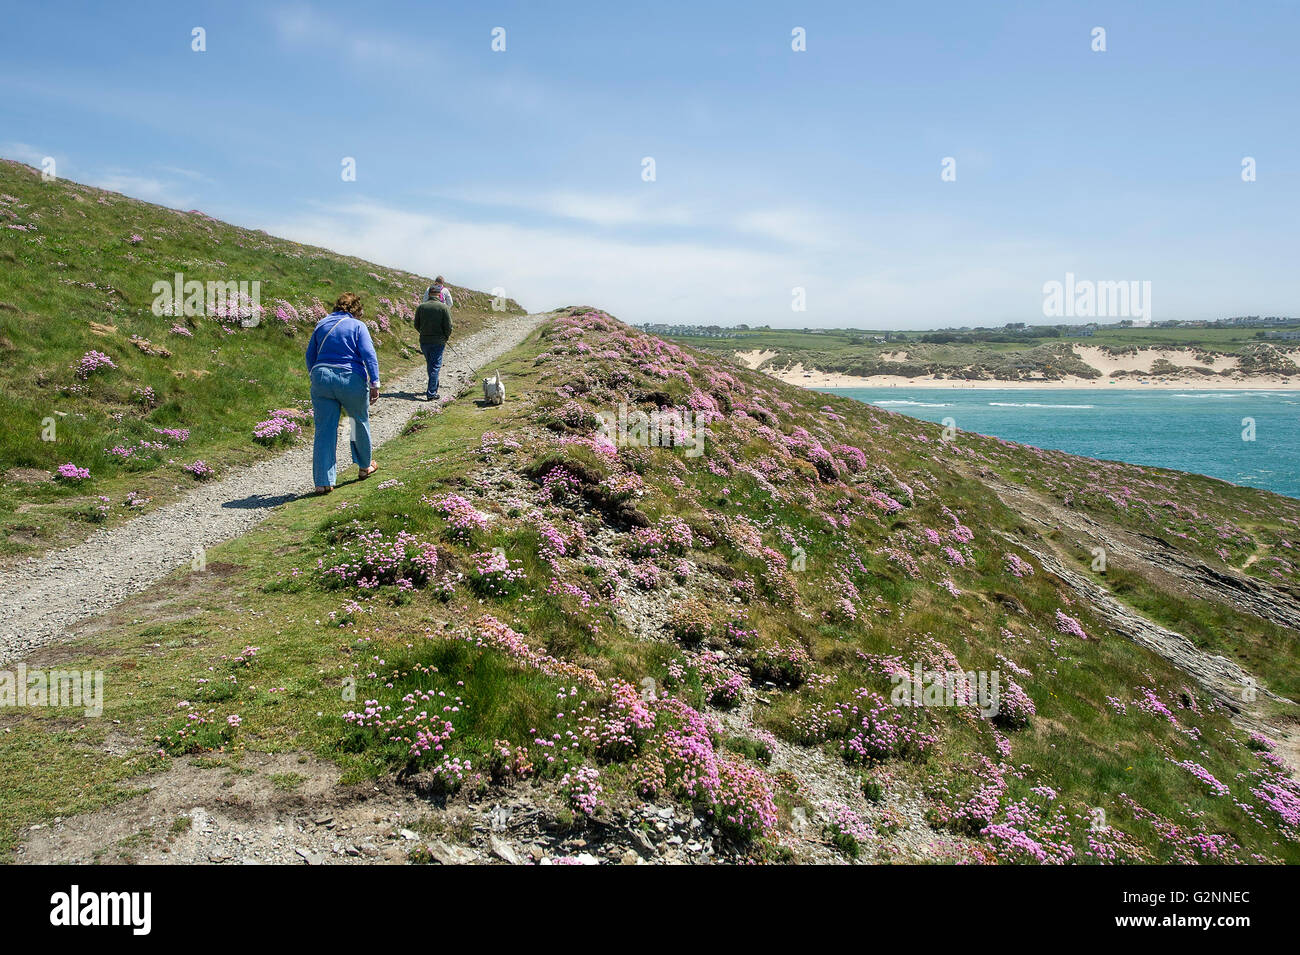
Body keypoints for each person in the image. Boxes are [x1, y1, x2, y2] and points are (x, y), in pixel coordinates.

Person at [304, 292, 380, 494]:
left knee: (325, 430)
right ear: (356, 309)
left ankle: (323, 482)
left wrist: (316, 374)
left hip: (321, 378)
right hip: (350, 378)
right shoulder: (357, 326)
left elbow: (310, 355)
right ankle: (365, 466)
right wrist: (375, 382)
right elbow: (368, 354)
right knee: (357, 421)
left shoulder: (321, 324)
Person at [413, 280, 453, 400]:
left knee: (431, 364)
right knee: (435, 366)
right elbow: (449, 326)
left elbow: (416, 324)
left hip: (424, 341)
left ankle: (434, 387)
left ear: (429, 293)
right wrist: (445, 336)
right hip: (438, 341)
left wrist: (423, 332)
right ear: (439, 294)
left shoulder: (421, 307)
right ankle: (431, 393)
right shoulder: (444, 307)